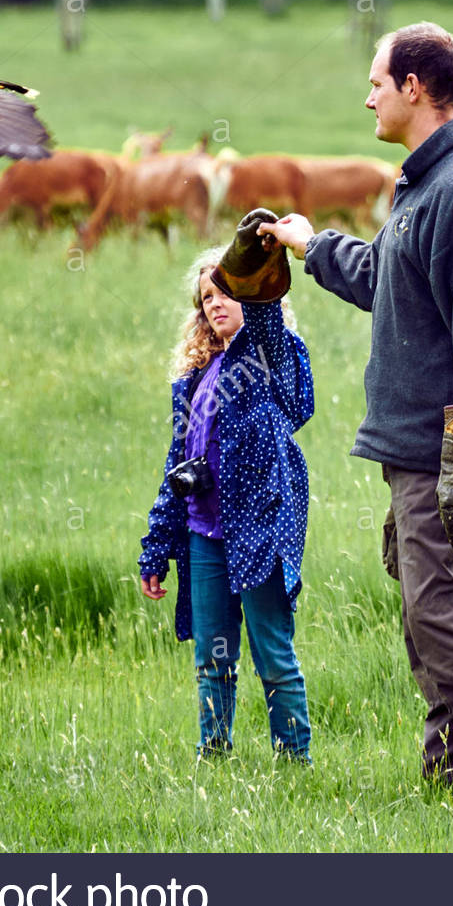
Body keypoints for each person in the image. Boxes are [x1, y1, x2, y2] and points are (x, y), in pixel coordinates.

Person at [258, 21, 453, 791]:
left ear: (413, 88)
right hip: (420, 450)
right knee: (435, 623)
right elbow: (389, 277)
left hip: (446, 451)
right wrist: (307, 244)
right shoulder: (427, 184)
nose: (368, 99)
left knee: (449, 619)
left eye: (376, 83)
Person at [138, 240, 314, 762]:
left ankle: (295, 761)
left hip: (259, 530)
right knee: (213, 659)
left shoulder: (271, 356)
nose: (213, 304)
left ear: (252, 295)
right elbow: (178, 470)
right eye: (205, 298)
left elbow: (265, 323)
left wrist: (253, 264)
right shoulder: (195, 380)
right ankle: (212, 756)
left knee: (273, 656)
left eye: (225, 292)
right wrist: (156, 549)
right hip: (204, 536)